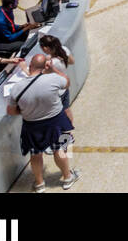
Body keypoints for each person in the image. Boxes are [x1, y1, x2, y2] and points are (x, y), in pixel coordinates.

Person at [7, 53, 79, 191]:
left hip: (32, 125)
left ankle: (39, 184)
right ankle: (67, 178)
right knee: (59, 150)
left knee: (35, 154)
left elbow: (10, 111)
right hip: (56, 122)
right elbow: (67, 82)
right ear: (45, 66)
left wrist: (25, 112)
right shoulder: (53, 79)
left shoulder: (17, 88)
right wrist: (53, 69)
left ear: (30, 66)